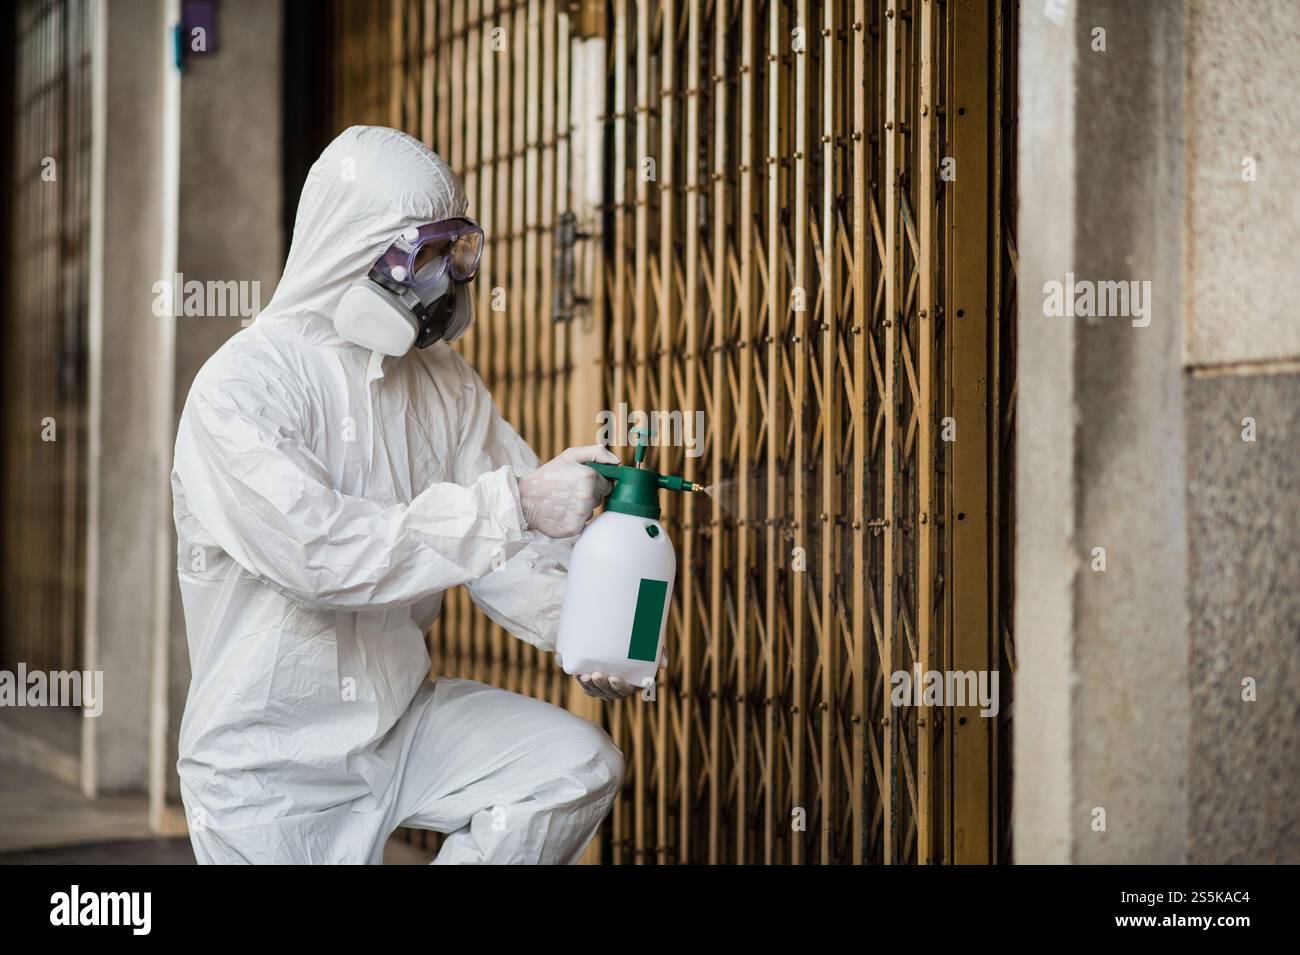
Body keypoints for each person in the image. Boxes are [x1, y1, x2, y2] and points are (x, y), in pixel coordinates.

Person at [171, 125, 634, 865]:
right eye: (423, 258)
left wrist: (583, 631)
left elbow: (506, 552)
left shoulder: (442, 382)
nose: (443, 284)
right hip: (267, 764)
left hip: (399, 721)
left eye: (455, 257)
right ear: (351, 250)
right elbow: (321, 555)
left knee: (573, 767)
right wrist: (513, 503)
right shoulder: (240, 389)